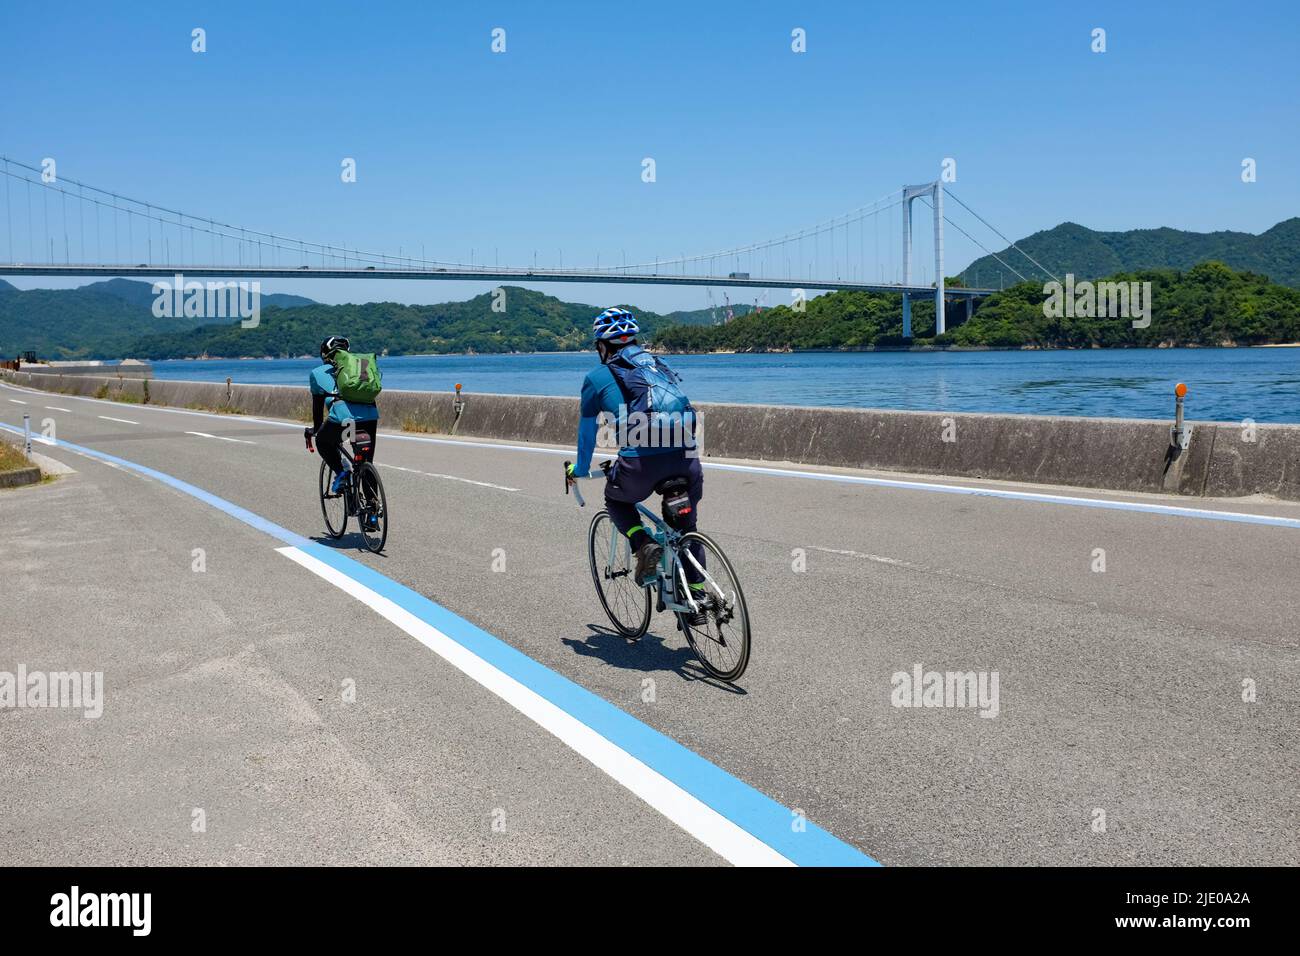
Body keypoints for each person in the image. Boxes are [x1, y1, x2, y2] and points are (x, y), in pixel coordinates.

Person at [566, 308, 709, 623]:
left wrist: (578, 468)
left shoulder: (595, 378)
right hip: (686, 458)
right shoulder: (657, 365)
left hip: (642, 464)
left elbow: (587, 431)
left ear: (602, 346)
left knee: (616, 498)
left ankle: (642, 543)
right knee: (686, 528)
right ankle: (698, 595)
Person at [306, 336, 380, 525]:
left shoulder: (318, 373)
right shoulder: (360, 366)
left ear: (324, 354)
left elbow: (317, 411)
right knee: (366, 462)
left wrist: (314, 430)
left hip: (343, 419)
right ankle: (372, 515)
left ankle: (341, 473)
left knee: (323, 441)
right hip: (370, 417)